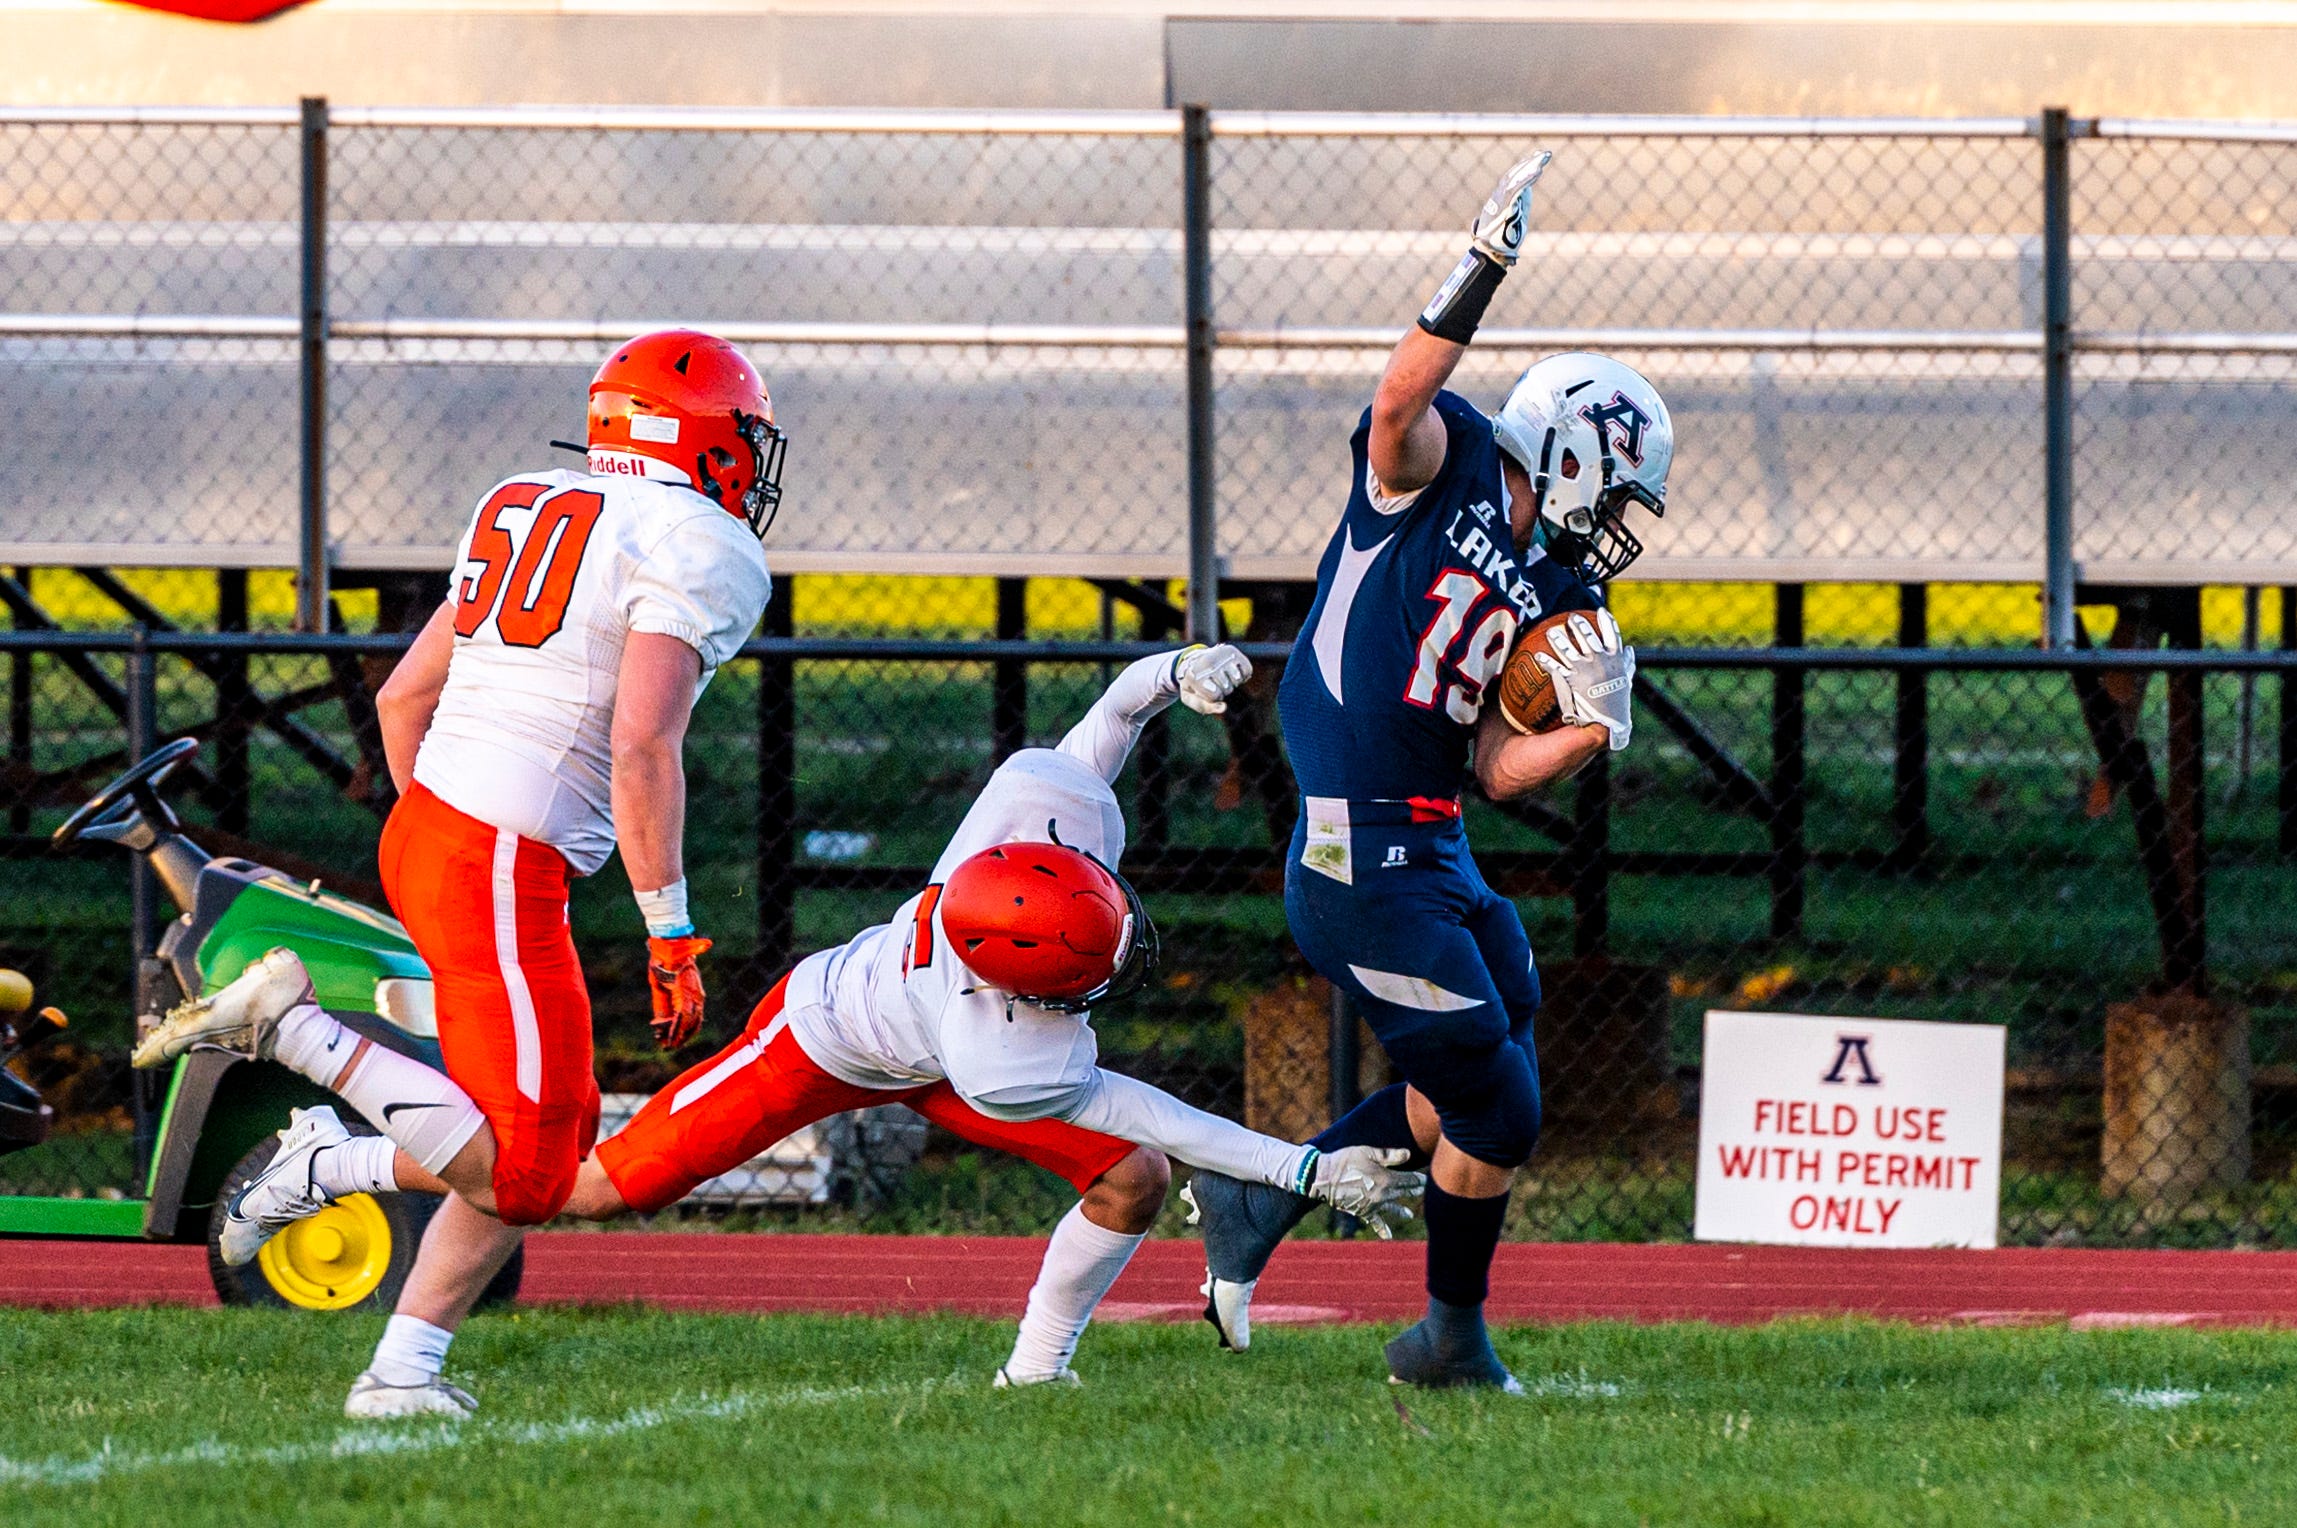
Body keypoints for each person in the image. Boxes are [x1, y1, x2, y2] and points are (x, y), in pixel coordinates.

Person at [135, 328, 785, 1418]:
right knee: (532, 1169)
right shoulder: (699, 540)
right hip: (492, 854)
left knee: (547, 1141)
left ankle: (395, 1357)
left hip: (439, 826)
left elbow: (400, 699)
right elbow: (640, 744)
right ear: (710, 439)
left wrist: (441, 827)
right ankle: (299, 1043)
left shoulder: (525, 496)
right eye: (745, 437)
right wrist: (668, 928)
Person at [550, 642, 1421, 1386]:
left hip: (928, 1046)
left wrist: (1176, 669)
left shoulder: (1031, 820)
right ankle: (417, 1161)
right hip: (819, 1041)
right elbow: (1155, 1111)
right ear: (1022, 988)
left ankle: (1035, 1373)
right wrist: (1300, 1171)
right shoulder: (1002, 1057)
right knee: (599, 1190)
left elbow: (1108, 725)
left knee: (1134, 1180)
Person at [1185, 152, 1674, 1391]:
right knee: (1498, 1110)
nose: (1615, 525)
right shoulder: (1440, 457)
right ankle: (1447, 1337)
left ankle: (1262, 1193)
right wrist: (1477, 273)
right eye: (1615, 490)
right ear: (1569, 451)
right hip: (1358, 851)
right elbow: (1396, 403)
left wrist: (1594, 726)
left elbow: (1502, 771)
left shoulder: (1560, 586)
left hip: (1434, 839)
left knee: (1501, 1016)